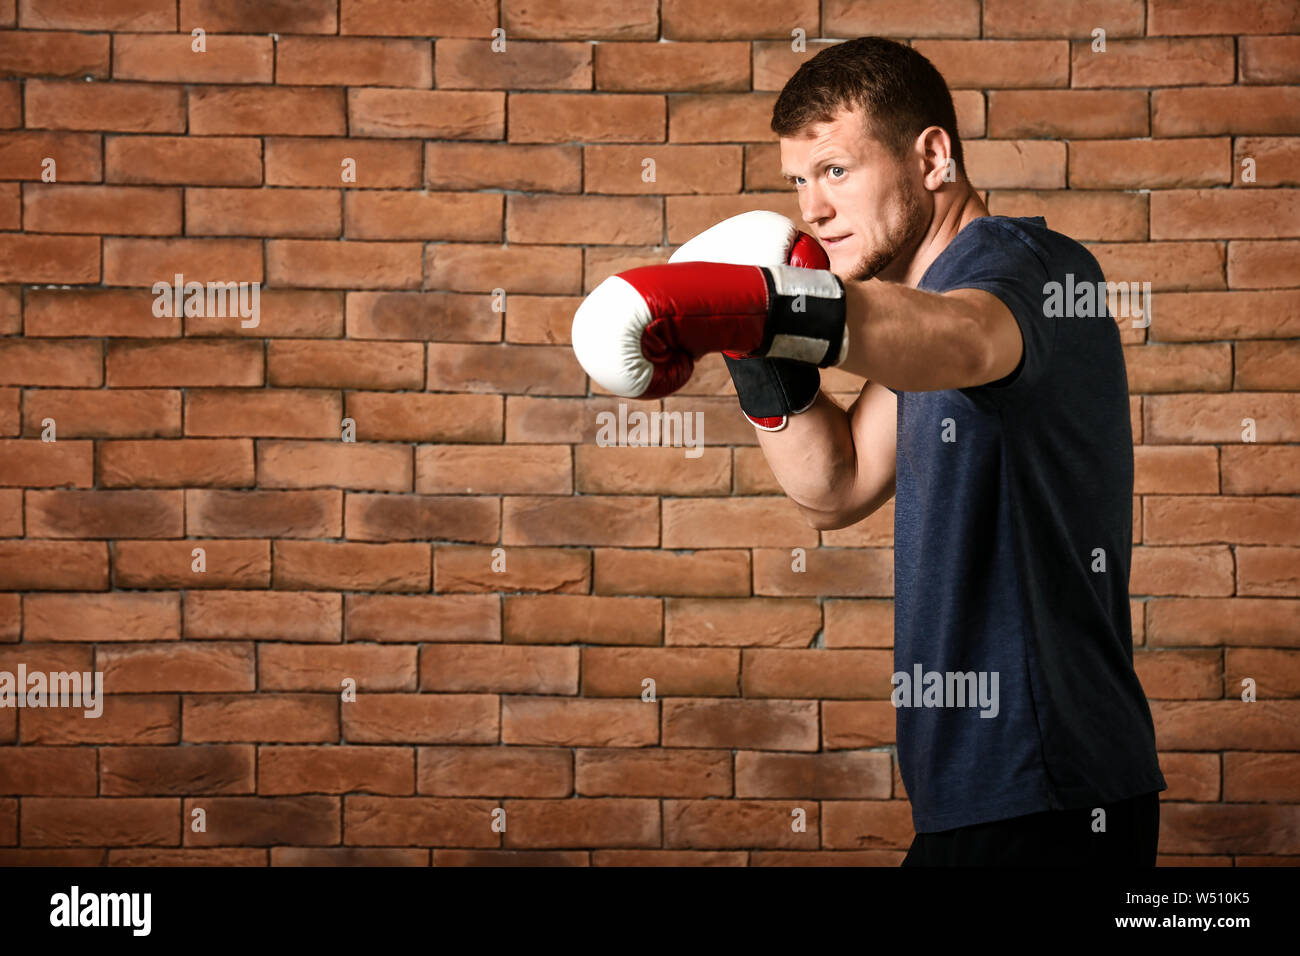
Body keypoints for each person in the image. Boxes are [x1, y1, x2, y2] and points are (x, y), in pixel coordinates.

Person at [571, 36, 1166, 866]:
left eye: (836, 170)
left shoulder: (1017, 269)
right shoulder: (917, 319)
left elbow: (962, 340)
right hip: (992, 791)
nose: (811, 208)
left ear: (931, 158)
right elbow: (836, 483)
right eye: (797, 182)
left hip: (1044, 784)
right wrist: (757, 353)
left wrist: (765, 306)